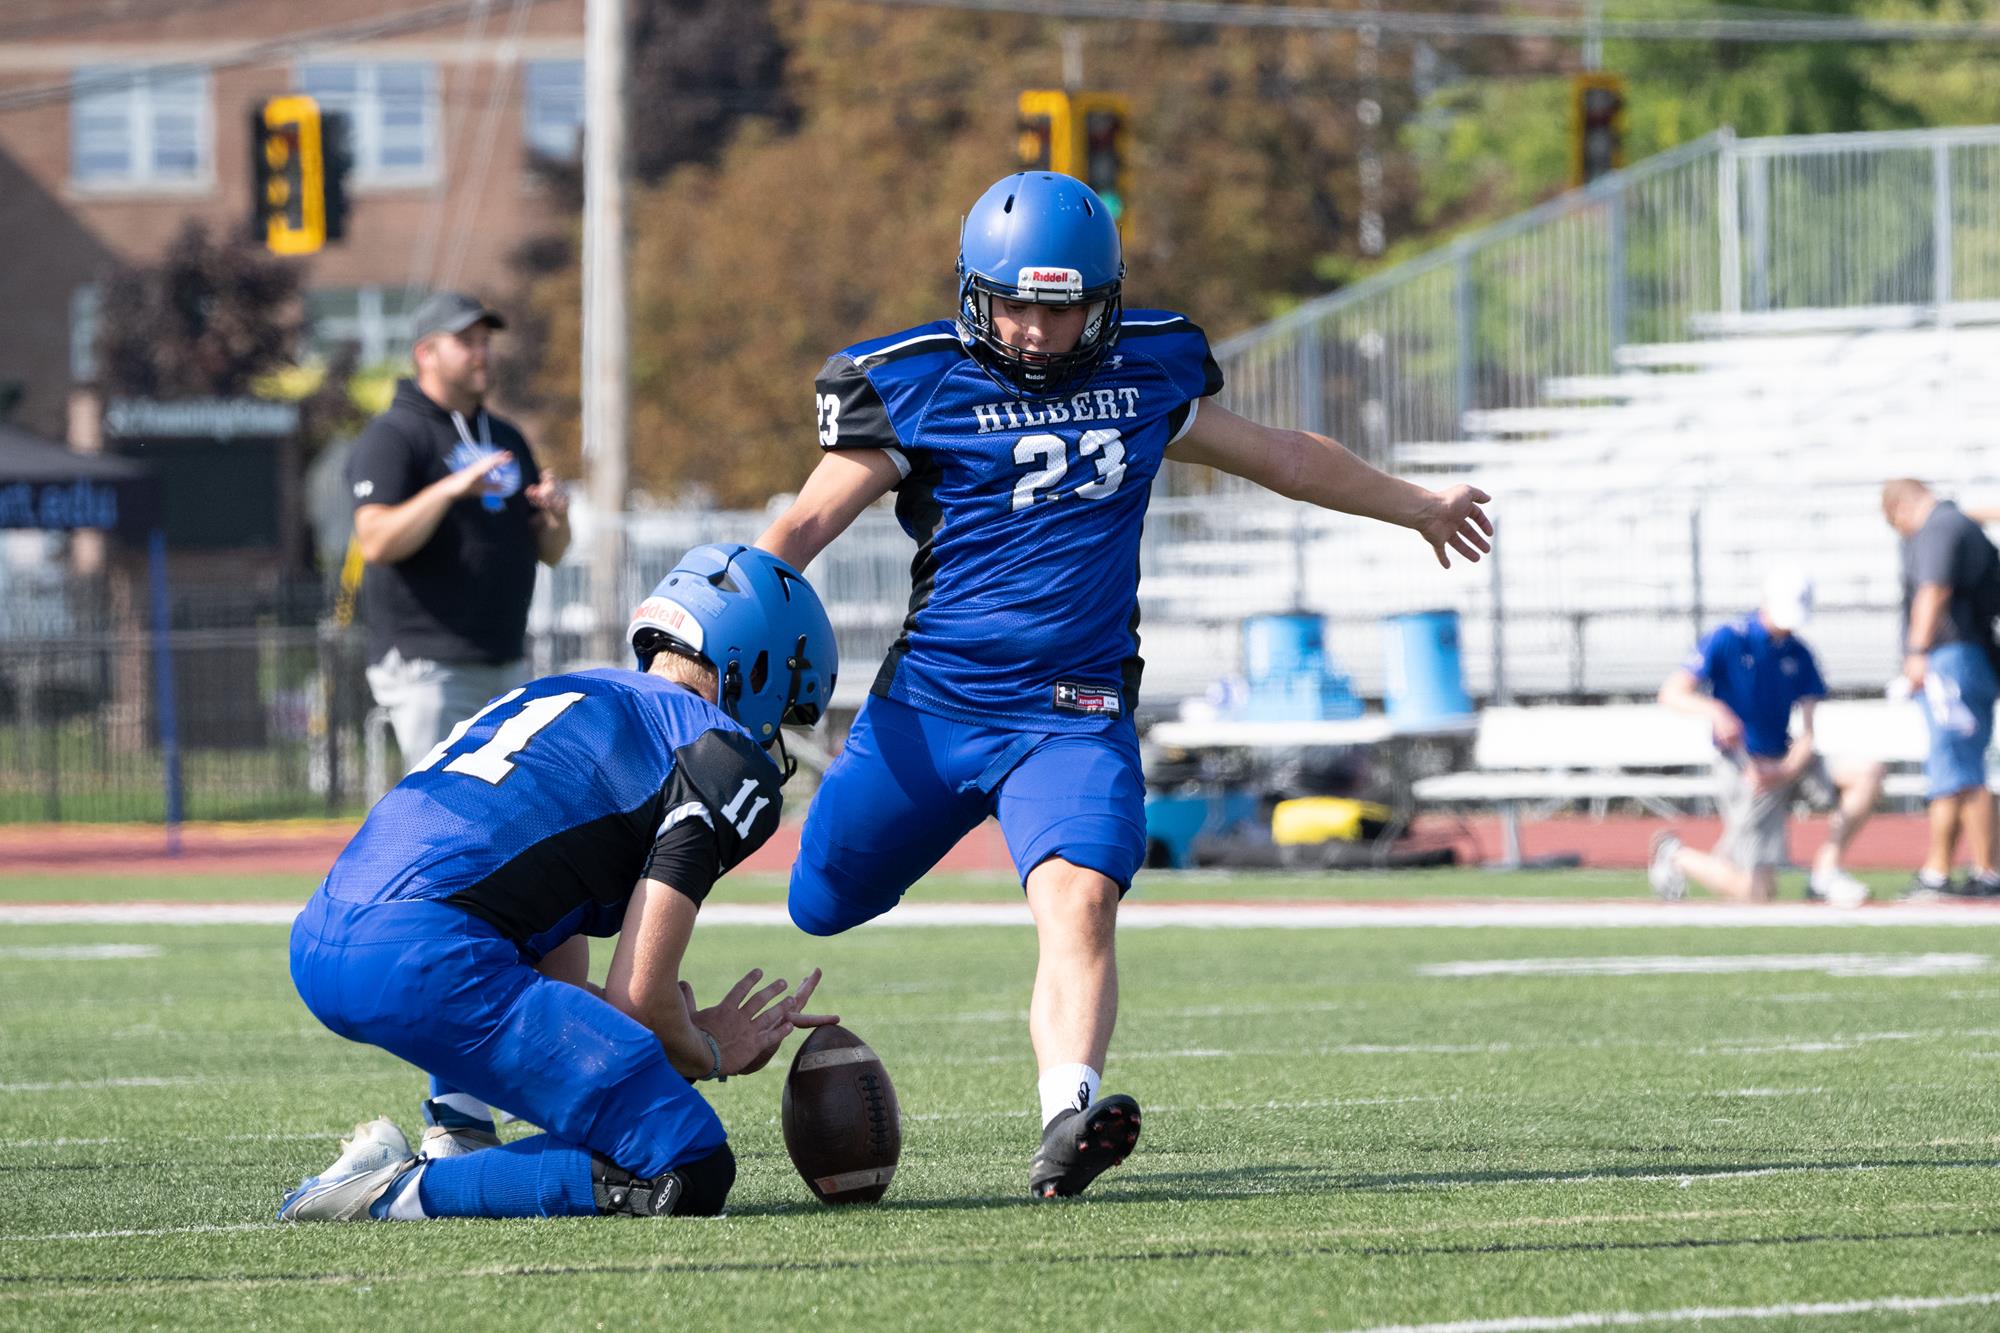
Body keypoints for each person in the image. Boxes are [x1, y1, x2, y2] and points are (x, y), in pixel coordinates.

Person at [756, 172, 1492, 1200]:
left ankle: (1067, 1113)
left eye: (1060, 310)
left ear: (1101, 303)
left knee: (1083, 898)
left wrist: (1415, 505)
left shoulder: (1147, 370)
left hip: (1072, 709)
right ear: (973, 294)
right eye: (1015, 305)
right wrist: (724, 632)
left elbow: (1282, 455)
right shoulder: (915, 382)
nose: (1035, 331)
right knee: (820, 901)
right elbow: (802, 524)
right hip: (932, 708)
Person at [278, 544, 839, 1222]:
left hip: (323, 933)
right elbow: (641, 998)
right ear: (756, 669)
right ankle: (388, 1195)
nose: (773, 735)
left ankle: (458, 1126)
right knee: (688, 1163)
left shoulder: (563, 692)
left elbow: (558, 980)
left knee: (515, 956)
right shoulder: (714, 754)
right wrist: (709, 1048)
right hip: (427, 958)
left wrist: (654, 1035)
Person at [348, 290, 571, 771]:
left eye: (485, 341)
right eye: (465, 342)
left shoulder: (506, 437)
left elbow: (551, 551)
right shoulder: (393, 436)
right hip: (429, 664)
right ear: (425, 353)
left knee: (512, 805)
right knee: (441, 806)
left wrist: (556, 518)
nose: (481, 353)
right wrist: (450, 489)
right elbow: (376, 541)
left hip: (506, 659)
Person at [1649, 570, 1884, 906]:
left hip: (1787, 761)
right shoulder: (1729, 639)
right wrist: (1715, 710)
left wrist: (1785, 770)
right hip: (1745, 767)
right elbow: (1672, 692)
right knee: (1757, 893)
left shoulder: (1799, 653)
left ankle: (1825, 871)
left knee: (1867, 771)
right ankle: (1675, 855)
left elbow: (1808, 732)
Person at [1882, 479, 2000, 898]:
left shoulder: (1938, 527)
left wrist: (1917, 650)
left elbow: (1933, 589)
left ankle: (1986, 871)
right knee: (1952, 768)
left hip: (1951, 658)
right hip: (1970, 656)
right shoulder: (1958, 523)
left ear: (1901, 508)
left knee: (1959, 763)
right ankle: (1939, 870)